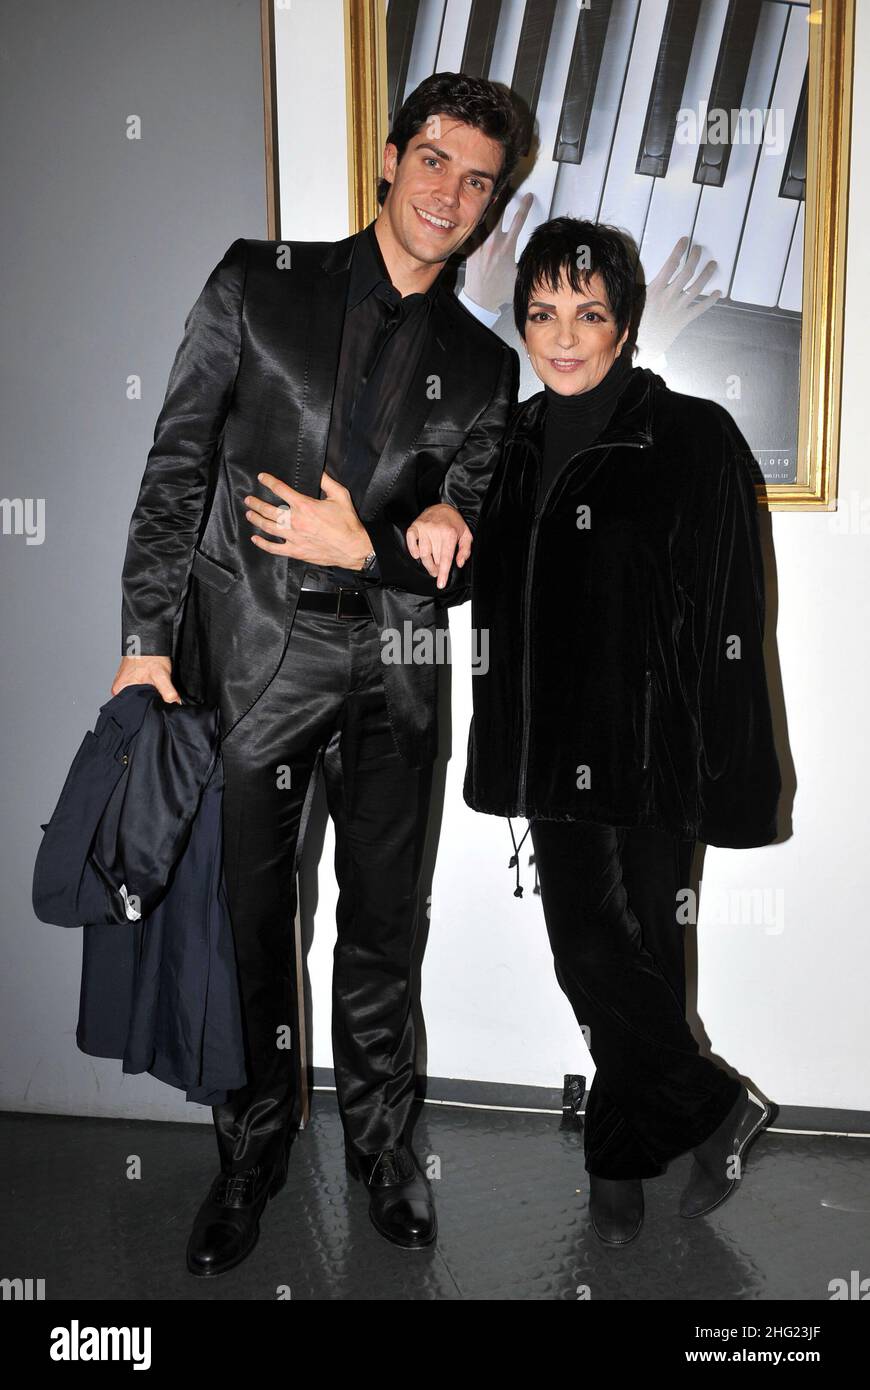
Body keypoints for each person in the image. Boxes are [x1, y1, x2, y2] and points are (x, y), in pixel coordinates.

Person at [112, 72, 523, 1275]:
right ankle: (249, 1155)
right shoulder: (258, 281)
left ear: (494, 208)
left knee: (385, 930)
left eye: (480, 180)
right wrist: (146, 645)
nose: (452, 192)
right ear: (391, 159)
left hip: (394, 669)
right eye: (436, 160)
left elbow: (467, 543)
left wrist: (403, 544)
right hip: (252, 663)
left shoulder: (484, 369)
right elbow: (175, 467)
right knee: (254, 929)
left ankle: (386, 1154)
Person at [463, 217, 782, 1246]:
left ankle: (616, 1157)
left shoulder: (693, 436)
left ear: (627, 324)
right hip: (551, 752)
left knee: (652, 949)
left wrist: (737, 778)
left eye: (588, 313)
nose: (563, 336)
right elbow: (462, 569)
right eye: (543, 312)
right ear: (522, 322)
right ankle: (714, 1105)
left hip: (659, 749)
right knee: (590, 958)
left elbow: (739, 616)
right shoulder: (501, 443)